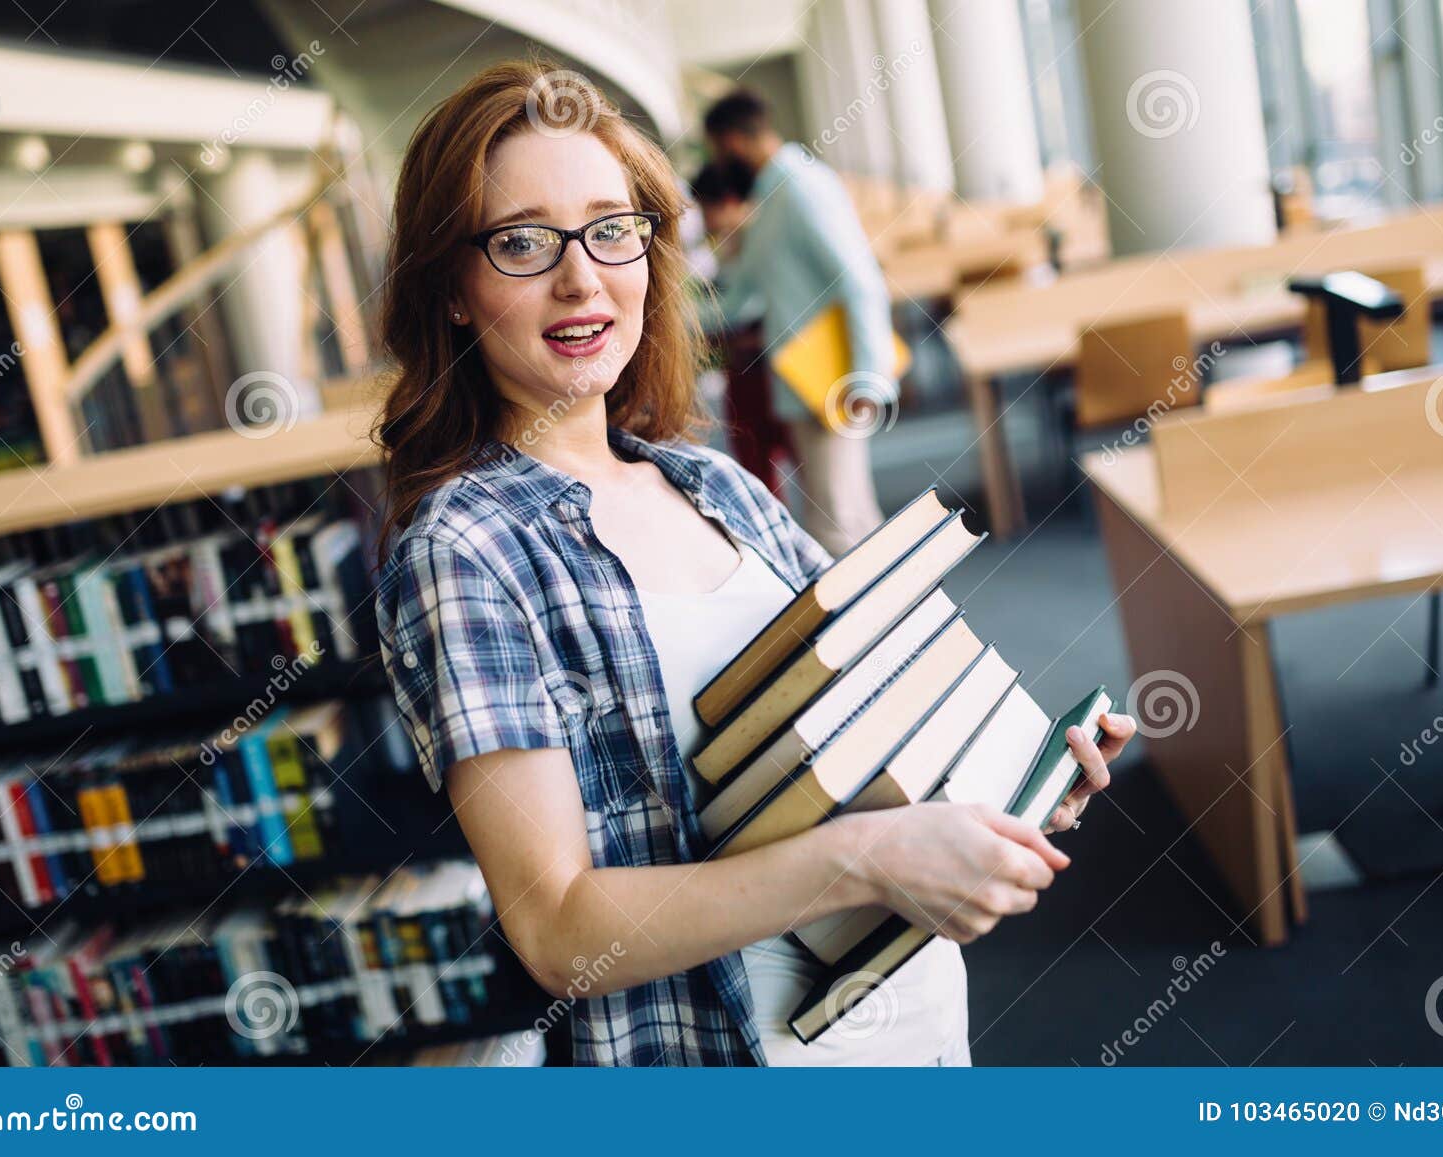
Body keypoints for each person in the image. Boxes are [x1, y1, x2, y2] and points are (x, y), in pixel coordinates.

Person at [373, 59, 1136, 1067]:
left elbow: (869, 731)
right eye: (521, 242)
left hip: (916, 1033)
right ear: (454, 291)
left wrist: (1005, 797)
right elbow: (559, 930)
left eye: (612, 227)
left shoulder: (712, 483)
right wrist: (867, 857)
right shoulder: (467, 551)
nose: (582, 277)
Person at [701, 87, 895, 557]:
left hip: (834, 379)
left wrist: (872, 379)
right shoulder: (771, 197)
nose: (718, 164)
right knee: (842, 514)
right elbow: (743, 295)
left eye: (716, 152)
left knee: (840, 524)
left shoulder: (802, 187)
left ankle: (883, 626)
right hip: (802, 384)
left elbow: (861, 282)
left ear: (733, 142)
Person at [690, 159, 794, 497]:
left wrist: (685, 319)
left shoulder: (756, 243)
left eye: (707, 209)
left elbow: (739, 306)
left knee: (769, 465)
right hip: (752, 371)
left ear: (731, 203)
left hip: (769, 371)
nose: (706, 222)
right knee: (760, 468)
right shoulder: (733, 243)